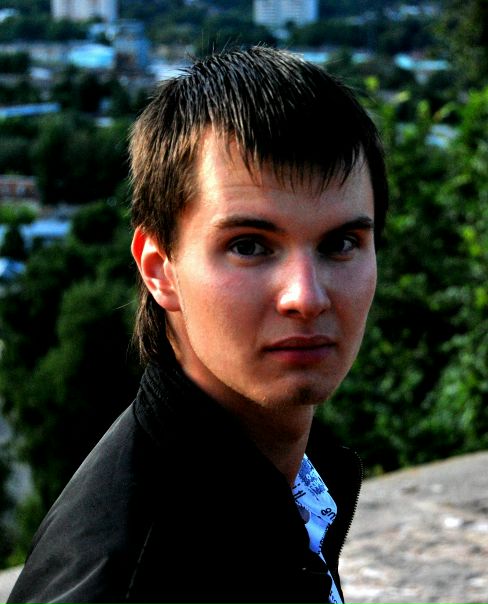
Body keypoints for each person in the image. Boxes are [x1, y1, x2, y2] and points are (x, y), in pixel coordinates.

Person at [7, 46, 388, 604]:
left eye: (341, 243)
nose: (306, 297)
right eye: (249, 246)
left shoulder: (289, 482)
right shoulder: (131, 578)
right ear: (159, 269)